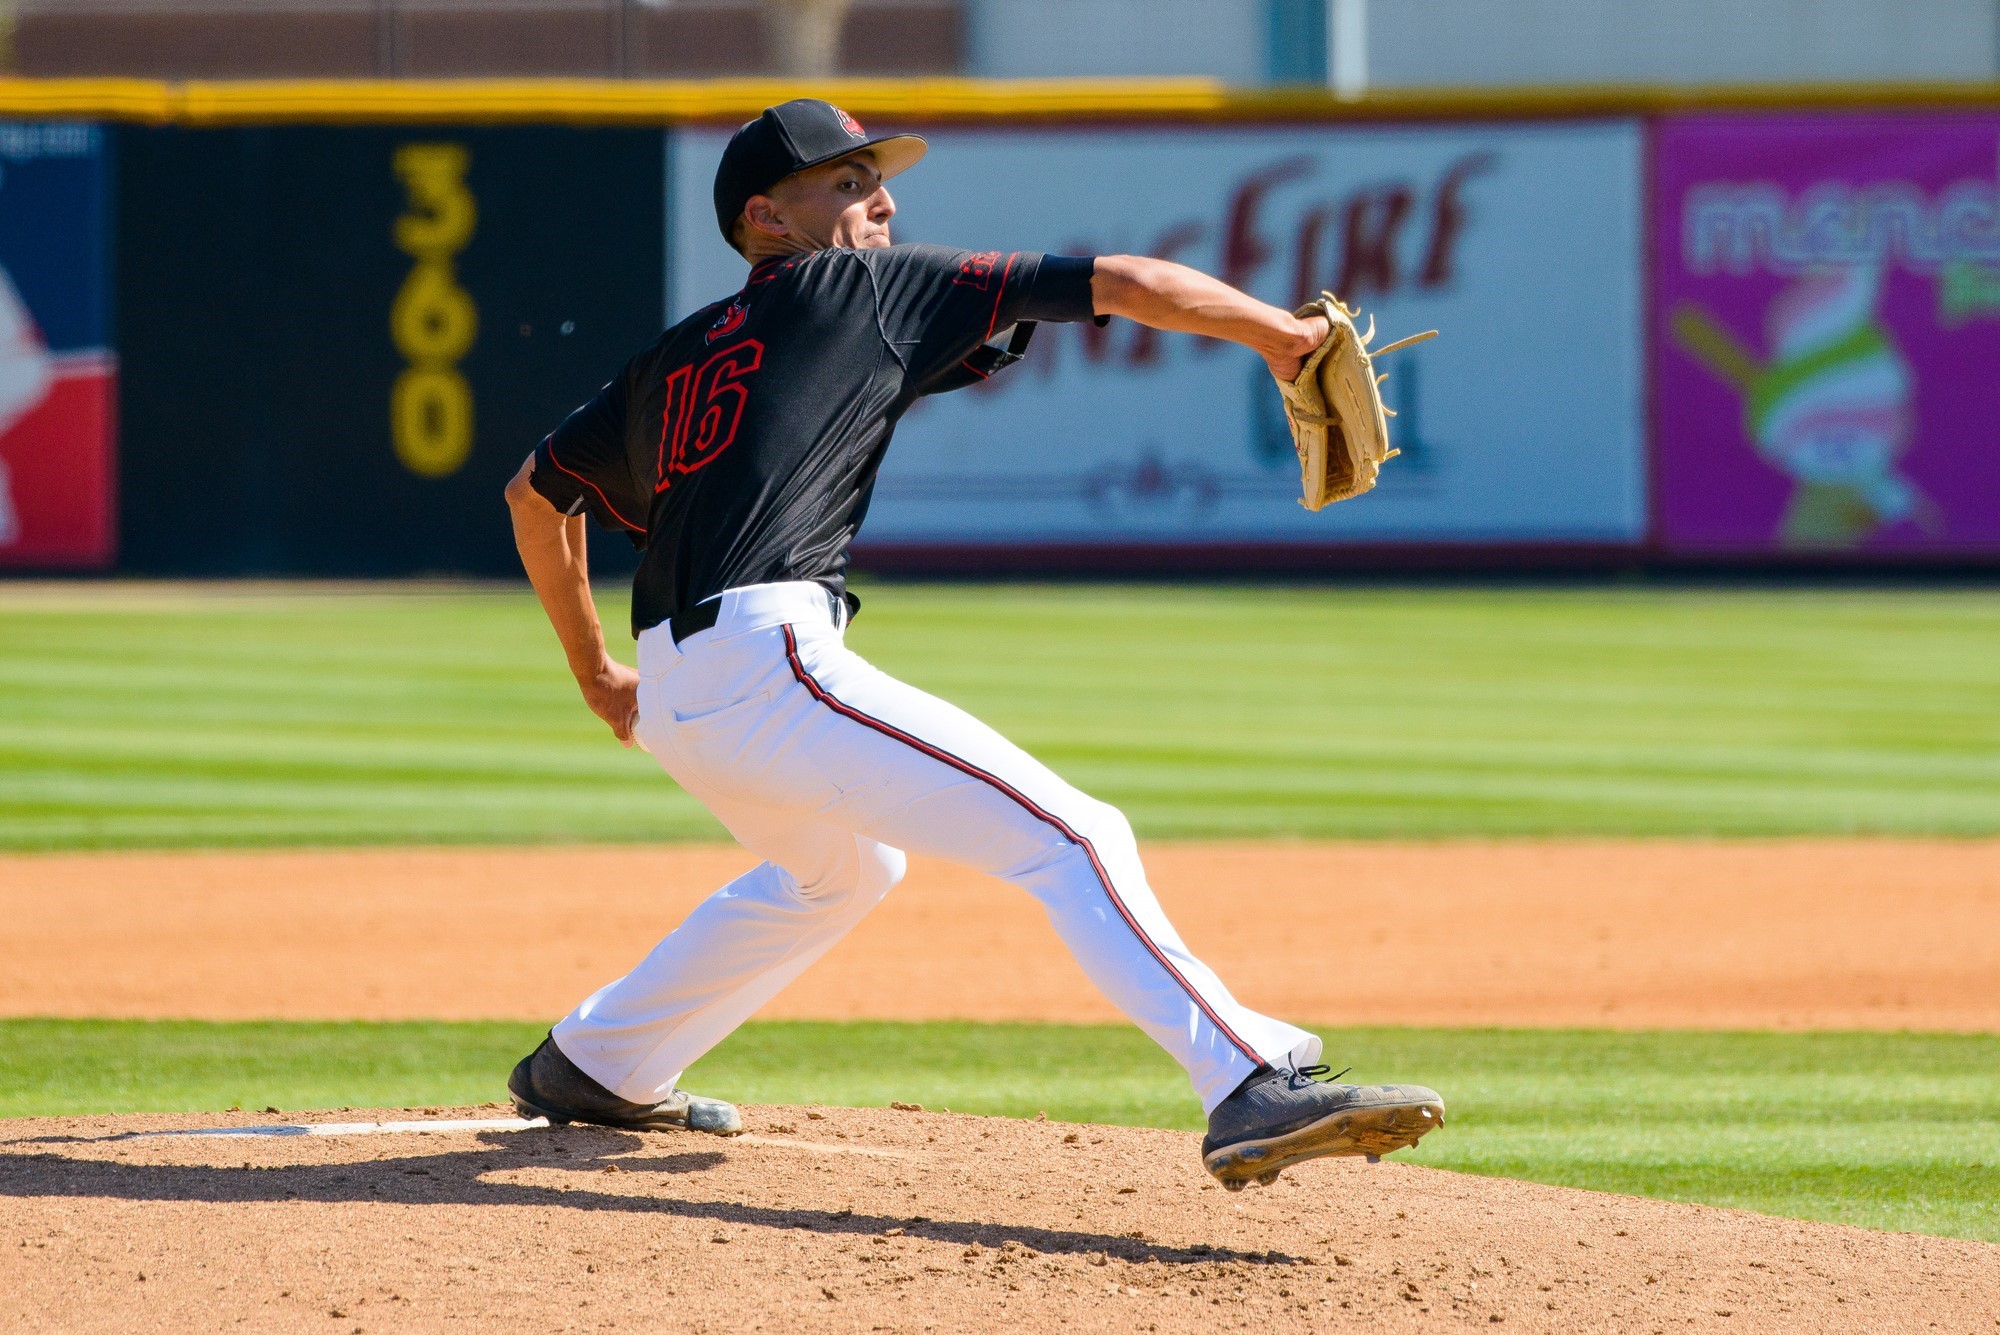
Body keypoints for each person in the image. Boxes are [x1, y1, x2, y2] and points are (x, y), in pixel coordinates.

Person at [502, 99, 1442, 1189]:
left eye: (877, 180)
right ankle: (1251, 1078)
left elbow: (533, 494)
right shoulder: (857, 285)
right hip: (771, 665)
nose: (881, 202)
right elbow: (1122, 281)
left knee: (839, 872)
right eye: (847, 182)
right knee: (1074, 835)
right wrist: (1282, 337)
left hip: (681, 692)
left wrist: (598, 676)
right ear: (765, 216)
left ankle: (599, 1062)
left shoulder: (668, 358)